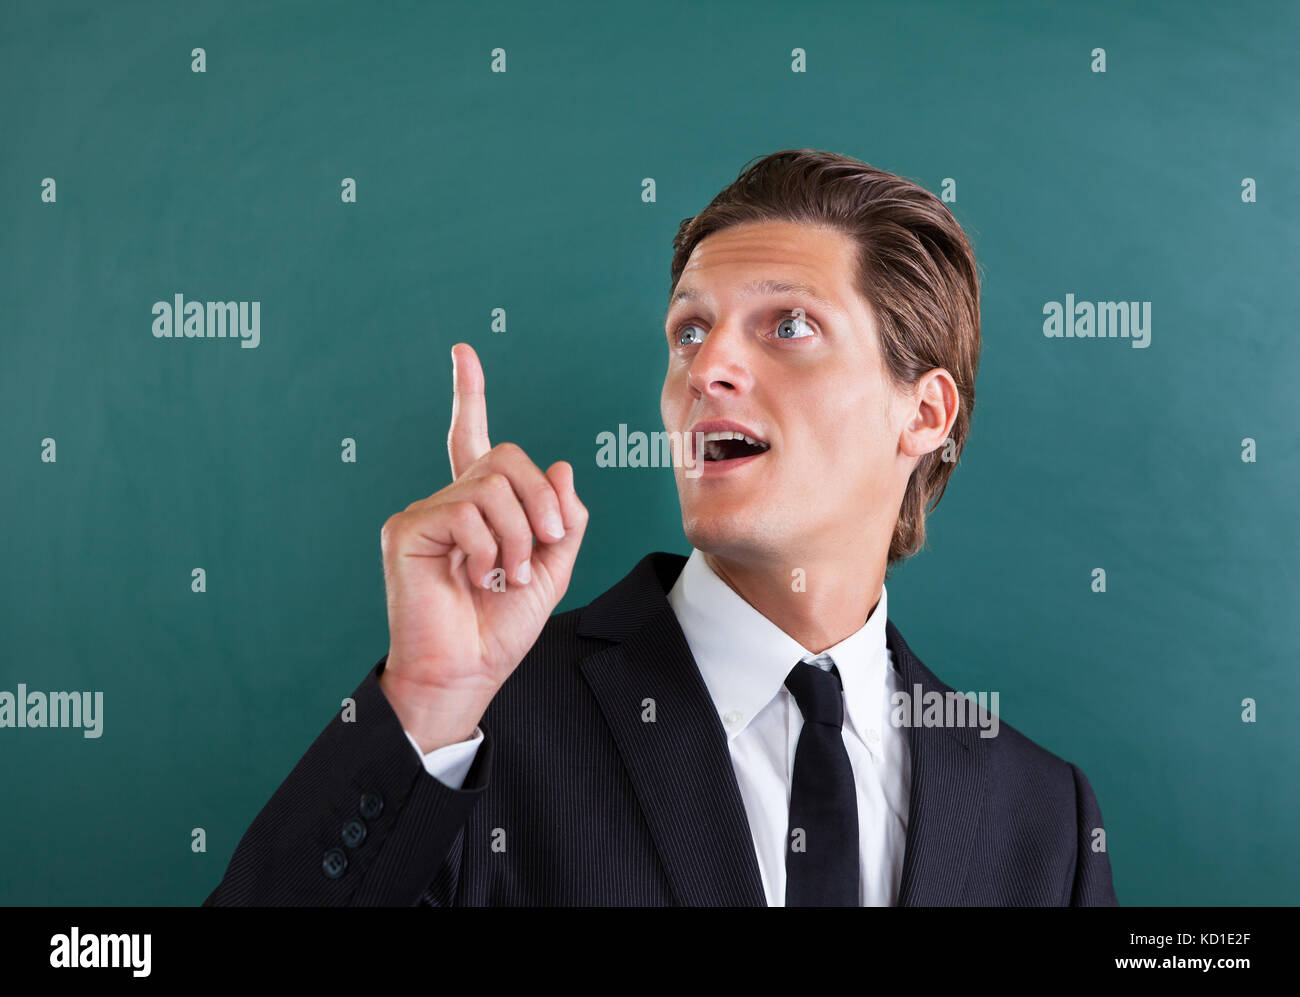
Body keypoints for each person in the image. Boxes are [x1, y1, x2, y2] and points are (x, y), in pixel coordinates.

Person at [204, 149, 1118, 906]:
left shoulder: (1042, 816)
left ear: (923, 414)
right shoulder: (481, 730)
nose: (709, 364)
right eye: (689, 331)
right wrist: (429, 699)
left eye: (789, 324)